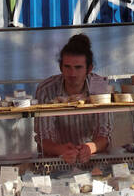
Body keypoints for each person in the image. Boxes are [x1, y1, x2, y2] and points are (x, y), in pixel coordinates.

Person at [34, 33, 113, 164]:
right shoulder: (46, 90)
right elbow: (43, 138)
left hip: (94, 161)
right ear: (60, 67)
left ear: (89, 69)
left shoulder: (100, 88)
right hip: (56, 162)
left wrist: (89, 148)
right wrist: (61, 150)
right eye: (67, 67)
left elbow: (104, 135)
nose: (72, 74)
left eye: (78, 68)